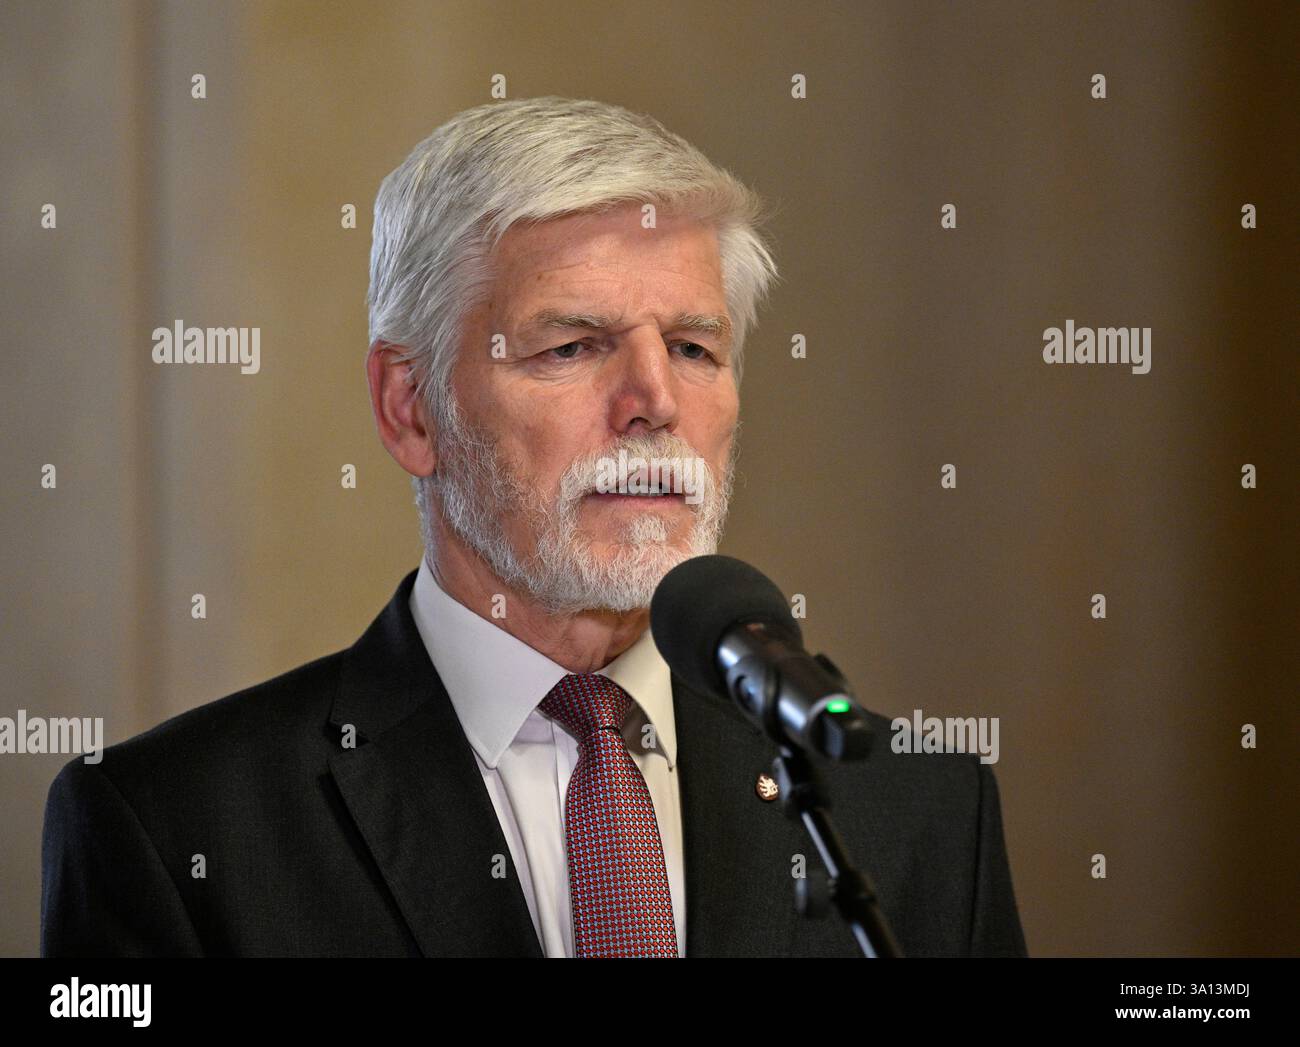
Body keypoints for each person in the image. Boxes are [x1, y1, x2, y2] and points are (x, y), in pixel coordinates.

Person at [41, 96, 1027, 957]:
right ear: (410, 410)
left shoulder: (914, 814)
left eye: (692, 346)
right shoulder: (176, 825)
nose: (653, 401)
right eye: (572, 345)